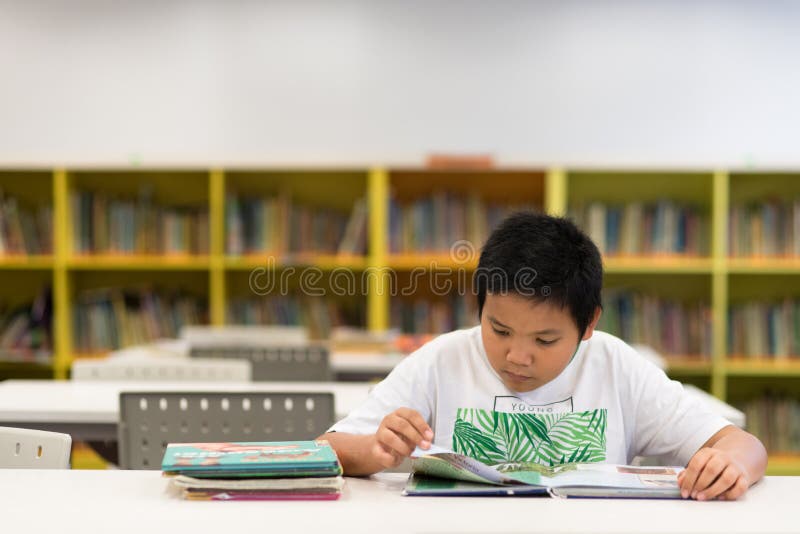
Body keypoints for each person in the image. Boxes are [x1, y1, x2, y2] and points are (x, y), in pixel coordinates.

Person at [319, 212, 767, 501]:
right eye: (498, 329)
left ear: (589, 323)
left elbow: (745, 446)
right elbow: (327, 449)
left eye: (545, 341)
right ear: (480, 306)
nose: (517, 356)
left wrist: (730, 465)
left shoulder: (614, 365)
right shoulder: (443, 360)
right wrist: (376, 450)